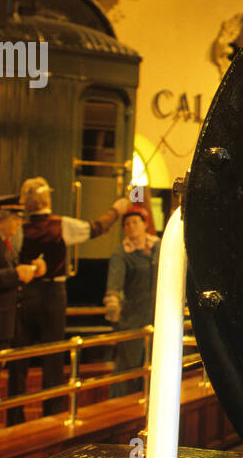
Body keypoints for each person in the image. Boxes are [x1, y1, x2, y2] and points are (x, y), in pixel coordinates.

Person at [13, 178, 129, 418]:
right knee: (54, 356)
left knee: (19, 358)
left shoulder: (18, 229)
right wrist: (116, 209)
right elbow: (97, 227)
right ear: (47, 200)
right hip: (53, 295)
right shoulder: (61, 225)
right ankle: (53, 414)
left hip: (23, 295)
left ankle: (14, 415)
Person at [0, 194, 39, 430]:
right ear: (0, 217)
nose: (18, 224)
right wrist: (17, 274)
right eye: (15, 218)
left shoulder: (1, 240)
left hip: (0, 319)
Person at [103, 208, 159, 398]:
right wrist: (112, 303)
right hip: (132, 319)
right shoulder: (121, 254)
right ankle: (121, 408)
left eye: (135, 222)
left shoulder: (159, 247)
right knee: (129, 367)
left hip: (158, 318)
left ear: (145, 224)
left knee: (156, 364)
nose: (131, 226)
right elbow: (114, 284)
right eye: (126, 224)